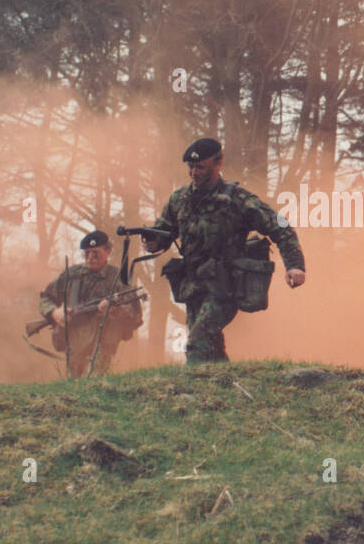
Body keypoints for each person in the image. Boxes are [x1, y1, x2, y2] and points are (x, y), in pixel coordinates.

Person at [142, 138, 306, 364]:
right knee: (212, 349)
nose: (194, 172)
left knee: (196, 342)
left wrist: (295, 265)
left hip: (226, 286)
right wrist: (154, 242)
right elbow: (164, 232)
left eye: (200, 167)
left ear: (218, 164)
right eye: (190, 167)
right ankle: (225, 388)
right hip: (193, 286)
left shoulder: (238, 200)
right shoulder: (179, 199)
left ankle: (191, 396)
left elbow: (280, 226)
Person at [38, 230, 142, 377]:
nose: (90, 257)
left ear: (108, 251)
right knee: (73, 389)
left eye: (95, 253)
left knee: (94, 384)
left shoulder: (117, 278)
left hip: (103, 343)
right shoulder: (72, 275)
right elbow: (45, 297)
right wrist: (55, 313)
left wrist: (114, 309)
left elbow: (135, 315)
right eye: (87, 253)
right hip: (75, 343)